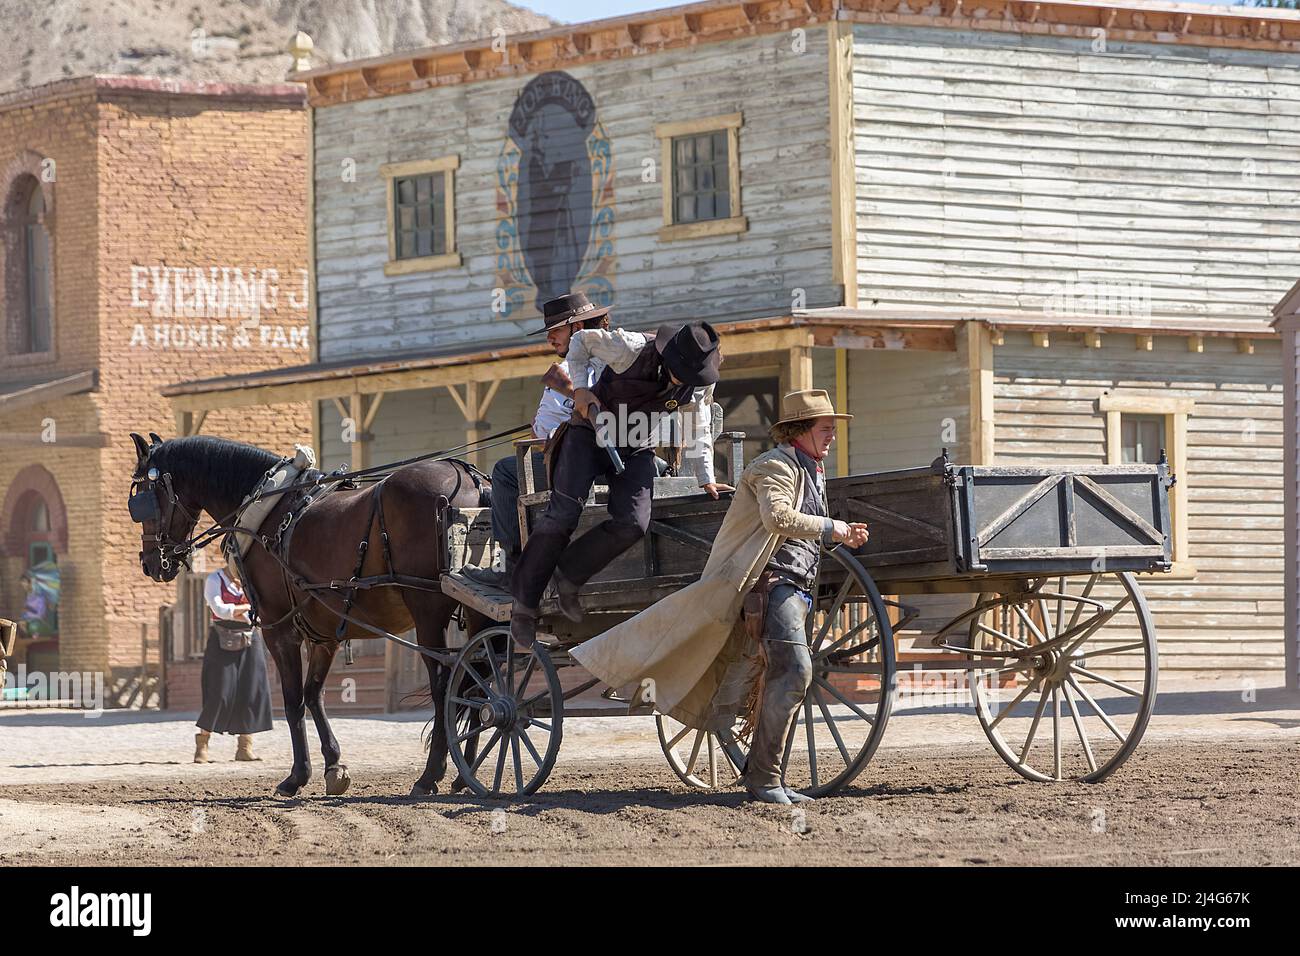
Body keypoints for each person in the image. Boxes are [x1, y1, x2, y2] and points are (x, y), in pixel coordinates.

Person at [570, 388, 869, 804]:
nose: (832, 436)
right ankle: (764, 780)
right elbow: (777, 517)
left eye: (833, 429)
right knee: (797, 671)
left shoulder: (811, 469)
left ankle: (768, 777)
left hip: (795, 585)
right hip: (768, 584)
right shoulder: (775, 467)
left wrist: (840, 537)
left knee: (788, 674)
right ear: (800, 431)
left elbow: (803, 533)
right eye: (825, 428)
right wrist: (831, 527)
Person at [509, 317, 732, 648]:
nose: (679, 382)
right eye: (677, 373)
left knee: (633, 523)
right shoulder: (630, 346)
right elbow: (581, 341)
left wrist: (706, 479)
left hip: (637, 445)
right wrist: (583, 389)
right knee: (562, 515)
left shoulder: (700, 379)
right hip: (588, 433)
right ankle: (524, 606)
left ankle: (567, 577)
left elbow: (697, 423)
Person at [462, 292, 611, 589]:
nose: (550, 339)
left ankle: (510, 567)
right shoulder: (601, 360)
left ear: (577, 329)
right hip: (579, 458)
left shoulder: (583, 368)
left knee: (506, 471)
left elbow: (592, 413)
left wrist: (548, 428)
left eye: (555, 331)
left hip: (581, 465)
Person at [196, 557, 273, 763]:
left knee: (252, 690)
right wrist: (246, 609)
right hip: (223, 639)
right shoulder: (215, 579)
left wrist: (238, 612)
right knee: (219, 692)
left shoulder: (251, 581)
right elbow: (219, 610)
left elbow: (262, 611)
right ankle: (202, 744)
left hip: (250, 639)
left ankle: (244, 747)